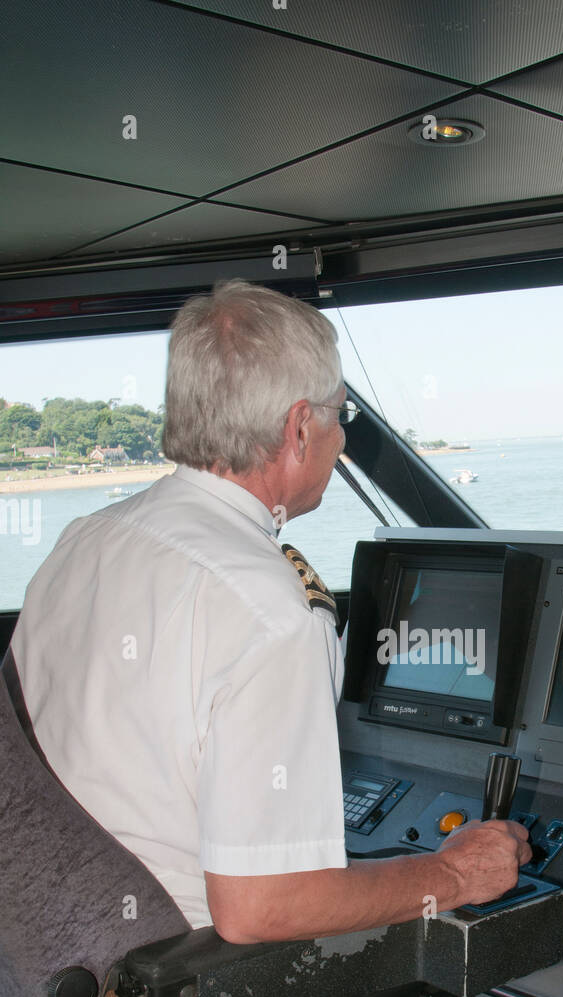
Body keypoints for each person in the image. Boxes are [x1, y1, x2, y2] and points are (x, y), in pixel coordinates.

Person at [11, 280, 529, 946]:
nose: (341, 440)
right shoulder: (272, 614)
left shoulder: (85, 537)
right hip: (183, 994)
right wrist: (454, 874)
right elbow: (264, 909)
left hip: (45, 954)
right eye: (339, 415)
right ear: (296, 428)